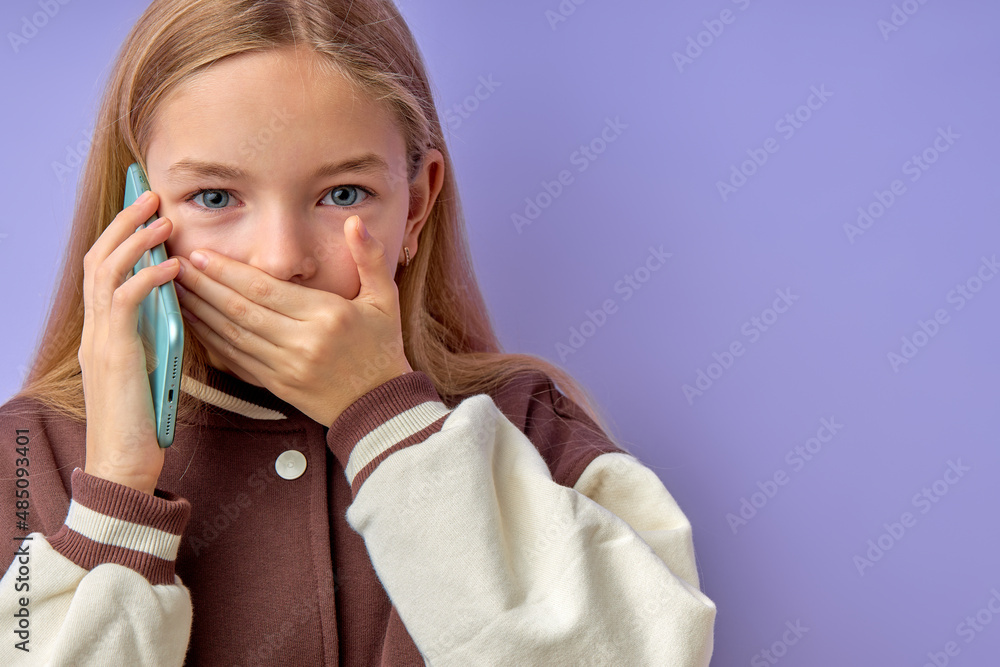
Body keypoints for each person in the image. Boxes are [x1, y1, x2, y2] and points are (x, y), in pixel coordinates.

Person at [0, 0, 717, 664]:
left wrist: (387, 417)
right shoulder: (29, 453)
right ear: (134, 213)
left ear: (414, 207)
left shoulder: (530, 424)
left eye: (343, 193)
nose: (282, 258)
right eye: (214, 196)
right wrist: (117, 491)